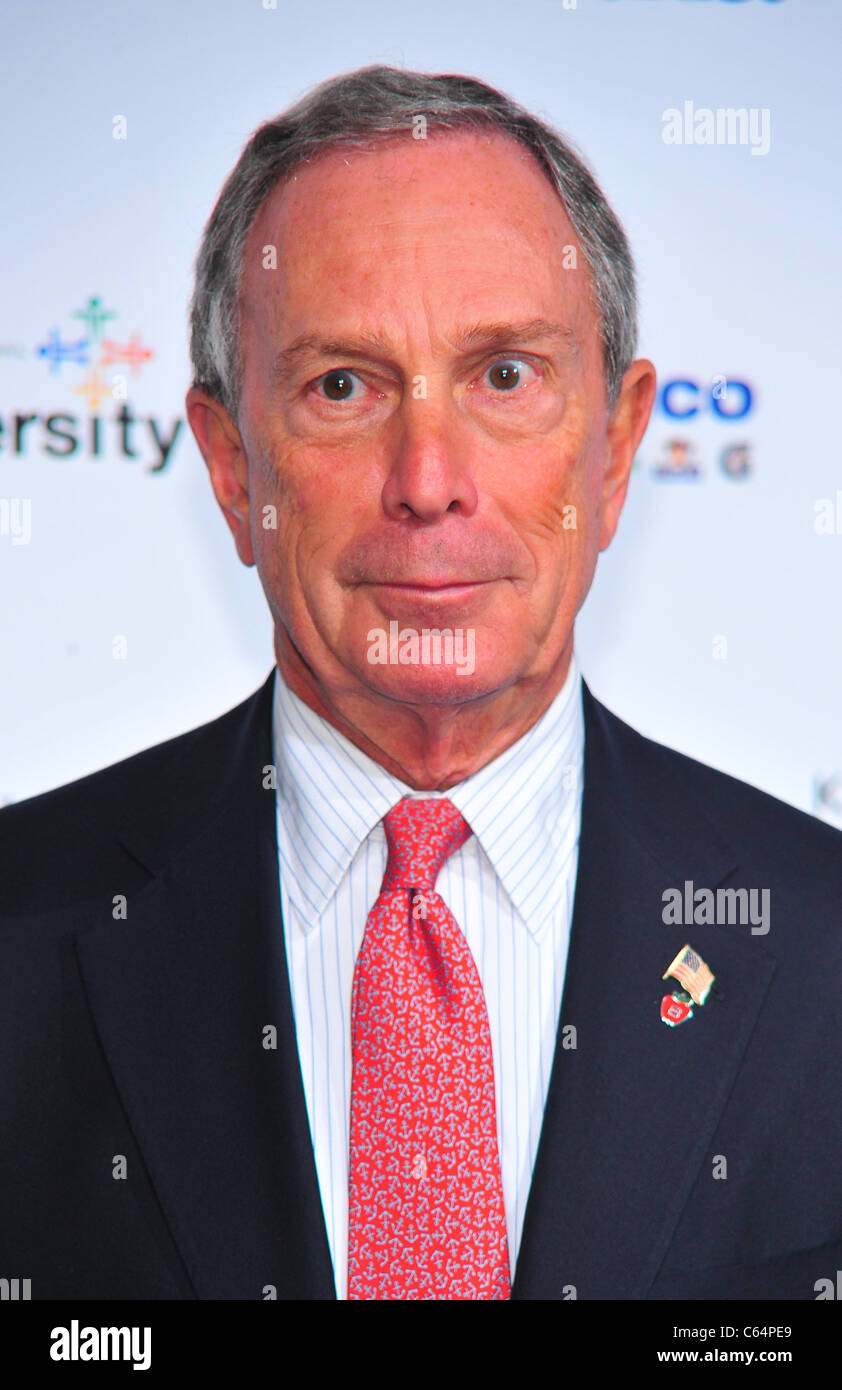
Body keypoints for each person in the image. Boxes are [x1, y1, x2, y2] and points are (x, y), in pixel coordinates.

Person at [2, 64, 841, 1302]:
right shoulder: (24, 933)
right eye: (341, 386)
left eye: (505, 374)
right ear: (235, 471)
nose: (428, 478)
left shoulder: (818, 942)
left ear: (613, 451)